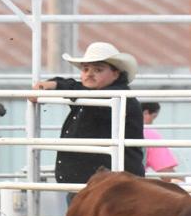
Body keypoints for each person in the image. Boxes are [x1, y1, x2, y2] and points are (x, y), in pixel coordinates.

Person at [33, 41, 146, 206]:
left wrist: (55, 85)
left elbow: (79, 90)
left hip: (108, 188)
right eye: (85, 69)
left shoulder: (116, 97)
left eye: (98, 69)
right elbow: (78, 89)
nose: (89, 74)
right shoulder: (91, 95)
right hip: (96, 185)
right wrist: (54, 84)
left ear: (116, 74)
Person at [140, 102, 181, 183]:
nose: (152, 122)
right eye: (153, 117)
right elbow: (167, 174)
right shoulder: (149, 134)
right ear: (146, 113)